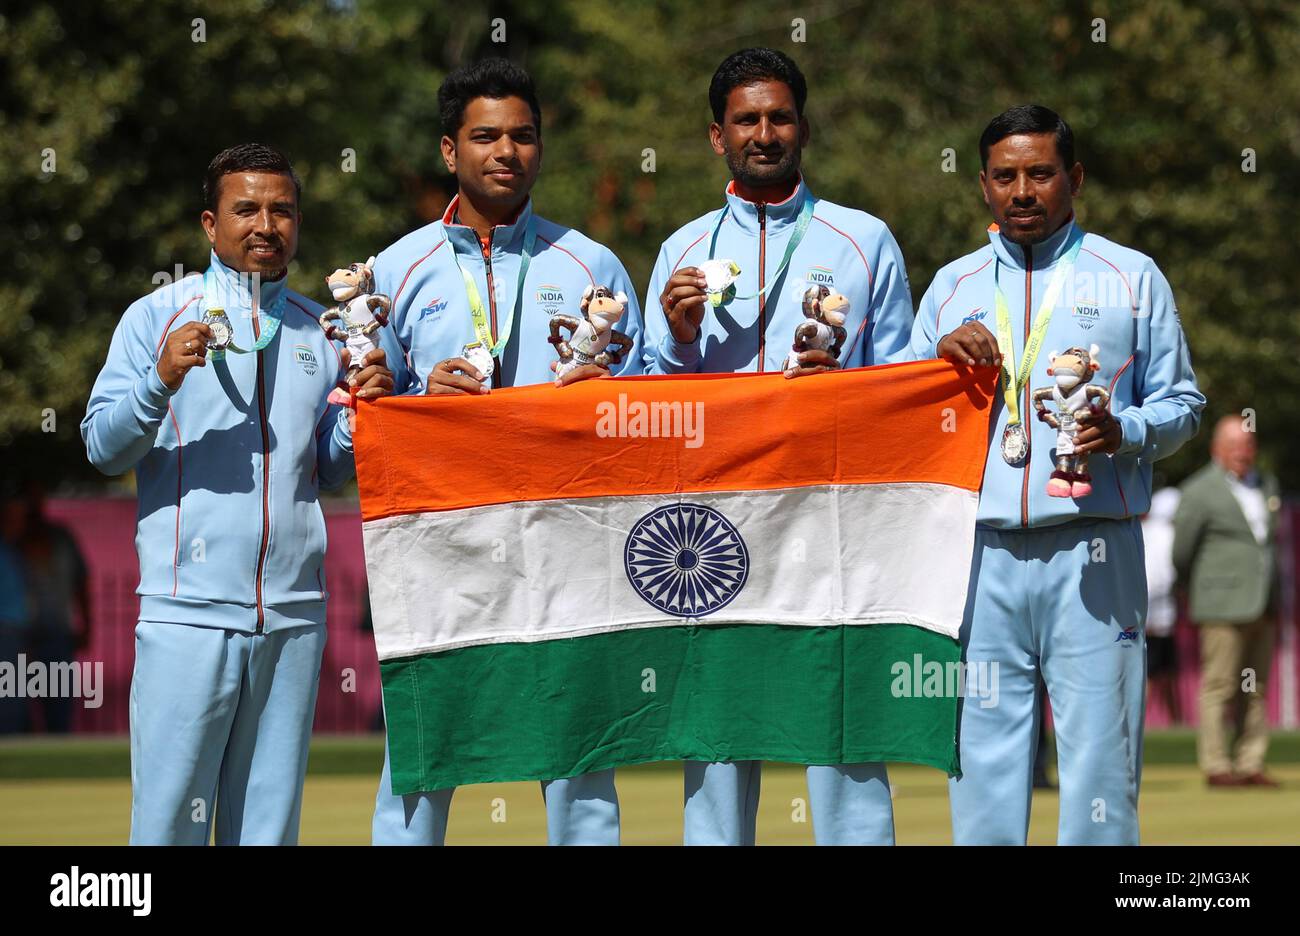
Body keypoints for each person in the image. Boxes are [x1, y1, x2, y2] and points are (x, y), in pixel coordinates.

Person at [909, 104, 1205, 844]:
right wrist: (934, 366)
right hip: (976, 558)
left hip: (1095, 550)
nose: (1023, 191)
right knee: (980, 763)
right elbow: (903, 417)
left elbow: (1186, 404)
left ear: (1072, 178)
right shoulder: (950, 286)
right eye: (1005, 176)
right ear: (981, 185)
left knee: (1103, 768)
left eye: (1040, 173)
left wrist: (1127, 429)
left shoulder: (1131, 276)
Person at [81, 143, 392, 845]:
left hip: (293, 618)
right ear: (209, 224)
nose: (265, 224)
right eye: (245, 208)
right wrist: (158, 380)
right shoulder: (155, 317)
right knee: (166, 826)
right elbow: (102, 448)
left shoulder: (326, 330)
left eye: (282, 210)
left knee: (266, 832)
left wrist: (360, 417)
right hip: (186, 613)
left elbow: (330, 471)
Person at [368, 59, 644, 846]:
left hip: (570, 544)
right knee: (421, 761)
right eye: (485, 135)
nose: (506, 151)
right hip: (443, 546)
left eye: (523, 135)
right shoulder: (395, 271)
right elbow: (354, 422)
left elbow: (651, 409)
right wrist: (420, 403)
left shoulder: (592, 263)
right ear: (449, 150)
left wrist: (610, 396)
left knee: (582, 763)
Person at [645, 48, 916, 846]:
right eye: (746, 120)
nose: (764, 133)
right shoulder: (680, 249)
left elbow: (903, 387)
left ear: (802, 126)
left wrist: (850, 381)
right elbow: (650, 403)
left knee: (843, 741)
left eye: (779, 117)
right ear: (715, 136)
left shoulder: (863, 240)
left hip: (833, 524)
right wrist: (679, 337)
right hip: (717, 530)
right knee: (720, 751)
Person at [1173, 416, 1280, 787]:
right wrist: (1201, 588)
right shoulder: (1199, 490)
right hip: (1221, 603)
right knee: (1220, 685)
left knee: (1255, 687)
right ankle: (1217, 765)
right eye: (1235, 446)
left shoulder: (1266, 484)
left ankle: (1250, 761)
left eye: (1248, 446)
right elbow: (1181, 553)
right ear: (1216, 448)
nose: (1242, 453)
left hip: (1263, 603)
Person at [9, 480, 92, 734]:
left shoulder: (62, 537)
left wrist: (87, 625)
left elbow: (81, 583)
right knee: (15, 712)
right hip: (19, 637)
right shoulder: (11, 540)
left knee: (59, 712)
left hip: (57, 635)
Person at [1143, 486, 1182, 724]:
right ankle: (1171, 722)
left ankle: (1176, 722)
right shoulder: (1166, 534)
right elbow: (1162, 577)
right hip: (1158, 613)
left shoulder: (1145, 530)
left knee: (1165, 672)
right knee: (1155, 671)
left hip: (1150, 611)